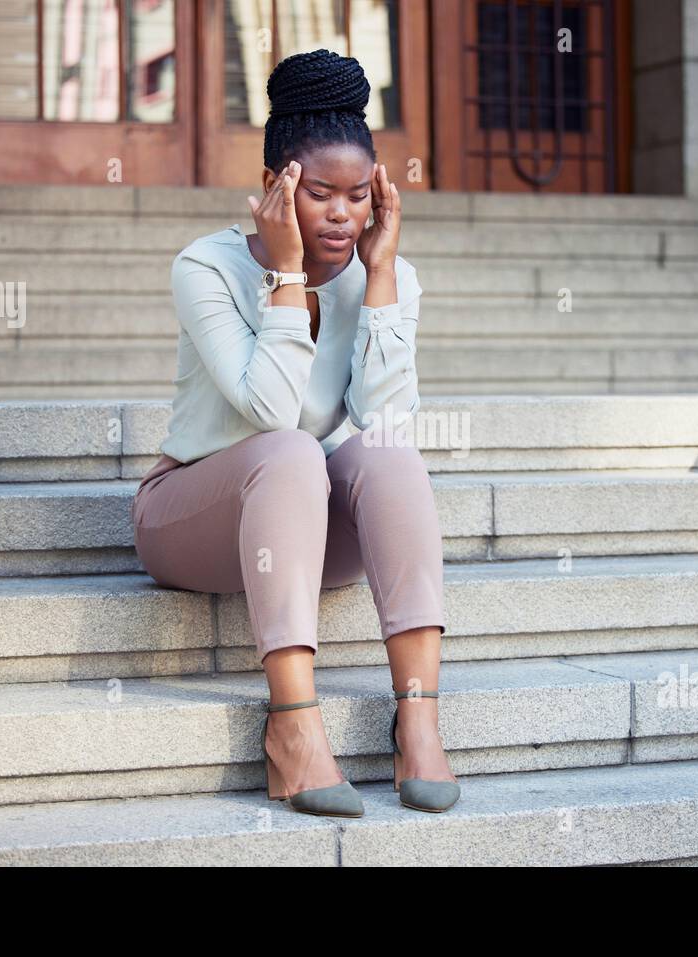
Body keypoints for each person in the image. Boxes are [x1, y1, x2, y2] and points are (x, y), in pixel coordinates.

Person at [131, 49, 459, 817]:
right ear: (278, 185)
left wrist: (377, 282)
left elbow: (384, 418)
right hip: (189, 517)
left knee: (385, 453)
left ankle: (419, 715)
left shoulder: (391, 277)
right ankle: (294, 727)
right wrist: (284, 275)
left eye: (357, 194)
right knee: (289, 449)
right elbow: (271, 412)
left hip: (308, 530)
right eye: (319, 193)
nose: (342, 214)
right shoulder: (206, 268)